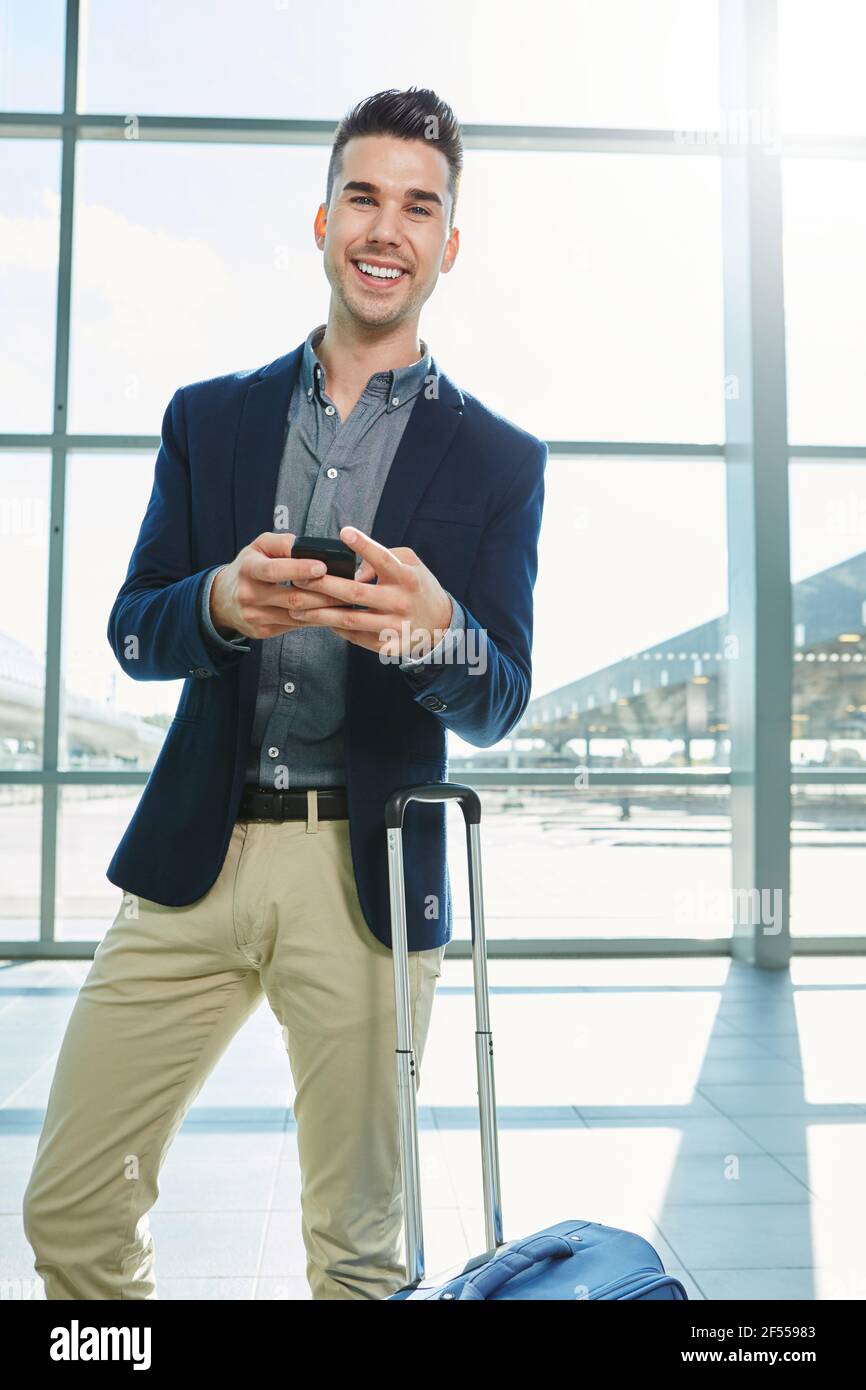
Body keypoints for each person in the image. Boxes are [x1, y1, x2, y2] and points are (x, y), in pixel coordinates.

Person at [23, 87, 547, 1301]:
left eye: (419, 207)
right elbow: (133, 628)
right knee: (67, 1206)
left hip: (362, 876)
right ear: (321, 222)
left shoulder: (499, 461)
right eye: (363, 196)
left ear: (447, 246)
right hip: (193, 856)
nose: (387, 227)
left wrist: (435, 636)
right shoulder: (210, 419)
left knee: (358, 1256)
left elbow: (501, 693)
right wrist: (214, 604)